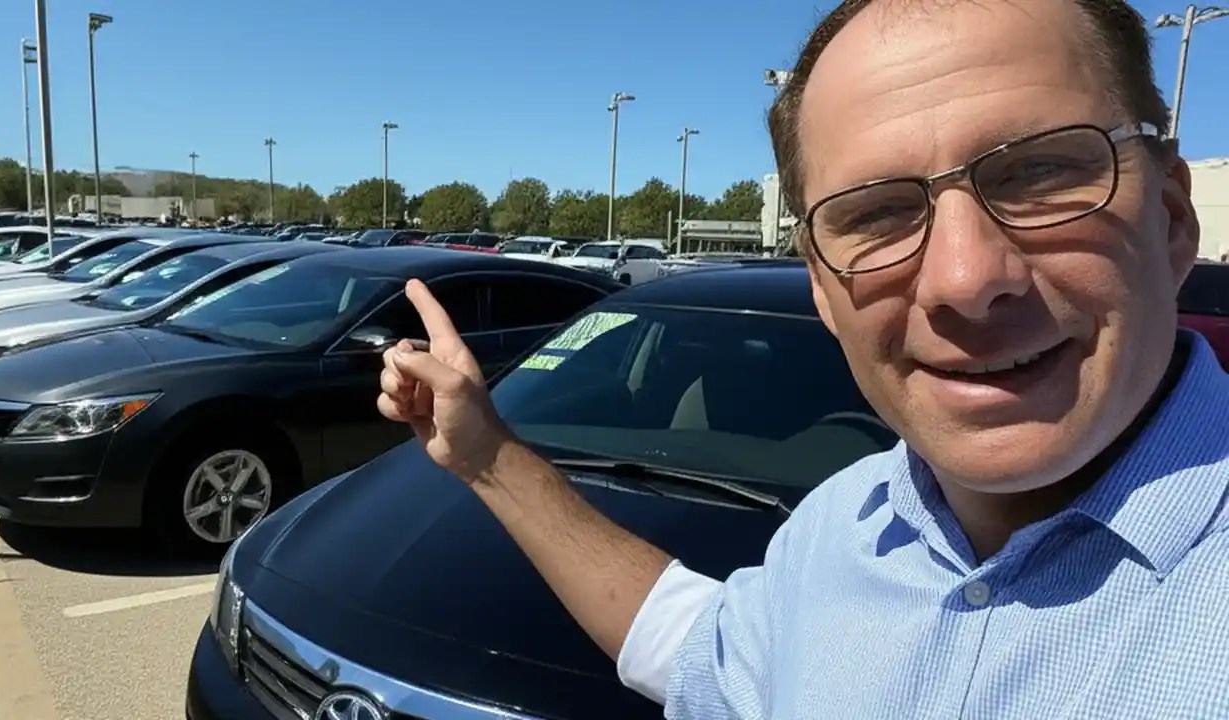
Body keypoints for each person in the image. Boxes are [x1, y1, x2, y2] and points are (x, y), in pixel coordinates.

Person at [378, 0, 1229, 717]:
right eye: (878, 214)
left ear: (1172, 219)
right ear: (822, 288)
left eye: (1039, 172)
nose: (968, 278)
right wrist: (488, 453)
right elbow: (694, 645)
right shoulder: (842, 529)